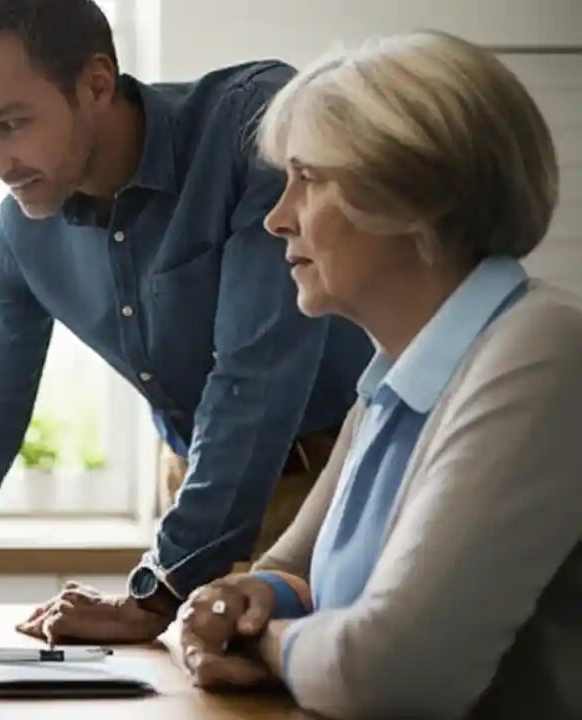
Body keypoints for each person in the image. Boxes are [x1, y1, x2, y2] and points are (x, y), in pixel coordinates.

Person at [0, 0, 372, 641]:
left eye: (10, 124)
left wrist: (156, 591)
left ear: (95, 83)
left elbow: (253, 379)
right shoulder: (18, 237)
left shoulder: (248, 126)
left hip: (342, 479)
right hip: (196, 486)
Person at [165, 30, 581, 719]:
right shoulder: (396, 370)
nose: (276, 218)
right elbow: (292, 571)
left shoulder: (543, 349)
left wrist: (264, 640)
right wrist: (241, 603)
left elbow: (384, 672)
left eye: (308, 178)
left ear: (415, 191)